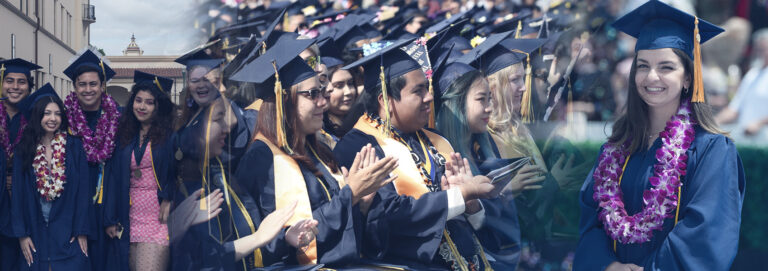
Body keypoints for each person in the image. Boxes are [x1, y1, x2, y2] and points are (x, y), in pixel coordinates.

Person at [574, 1, 746, 270]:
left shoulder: (712, 151)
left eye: (666, 67)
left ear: (688, 77)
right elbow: (590, 221)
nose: (651, 77)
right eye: (642, 66)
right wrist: (608, 265)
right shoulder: (616, 150)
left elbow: (706, 234)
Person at [334, 38, 505, 270]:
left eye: (427, 87)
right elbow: (387, 216)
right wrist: (460, 195)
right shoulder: (359, 147)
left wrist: (472, 204)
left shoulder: (435, 139)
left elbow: (470, 218)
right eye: (418, 91)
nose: (429, 97)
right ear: (386, 100)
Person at [231, 37, 397, 267]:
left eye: (322, 92)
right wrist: (351, 195)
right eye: (312, 94)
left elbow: (340, 230)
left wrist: (363, 204)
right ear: (283, 100)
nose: (323, 102)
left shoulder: (318, 151)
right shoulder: (262, 160)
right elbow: (277, 243)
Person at [171, 94, 316, 271]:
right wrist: (258, 238)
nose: (228, 126)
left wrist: (284, 237)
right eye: (218, 119)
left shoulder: (223, 178)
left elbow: (254, 243)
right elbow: (205, 259)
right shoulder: (177, 188)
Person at [102, 71, 177, 271]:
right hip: (128, 216)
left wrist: (169, 197)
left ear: (158, 106)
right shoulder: (124, 132)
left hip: (156, 217)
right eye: (138, 100)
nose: (142, 107)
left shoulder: (170, 135)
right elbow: (111, 176)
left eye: (149, 102)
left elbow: (177, 170)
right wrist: (110, 218)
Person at [10, 84, 90, 270]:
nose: (53, 118)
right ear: (37, 116)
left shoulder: (74, 147)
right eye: (47, 113)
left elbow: (83, 192)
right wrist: (22, 234)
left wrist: (81, 230)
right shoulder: (24, 149)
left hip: (67, 230)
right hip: (34, 228)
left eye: (57, 113)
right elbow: (18, 194)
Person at [61, 49, 121, 271]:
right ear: (75, 87)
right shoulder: (62, 119)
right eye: (82, 84)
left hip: (108, 203)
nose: (88, 89)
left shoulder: (118, 118)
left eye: (93, 84)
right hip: (73, 203)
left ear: (102, 86)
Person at [174, 50, 255, 172]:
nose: (201, 85)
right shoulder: (188, 124)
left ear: (220, 85)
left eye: (208, 80)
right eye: (195, 81)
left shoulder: (249, 119)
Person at [0, 58, 41, 271]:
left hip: (25, 199)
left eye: (21, 82)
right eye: (9, 80)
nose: (15, 87)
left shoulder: (36, 118)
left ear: (29, 86)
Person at [715, 28, 768, 135]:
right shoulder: (752, 74)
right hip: (747, 141)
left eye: (762, 49)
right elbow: (734, 108)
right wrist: (714, 122)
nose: (758, 53)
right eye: (757, 49)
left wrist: (759, 123)